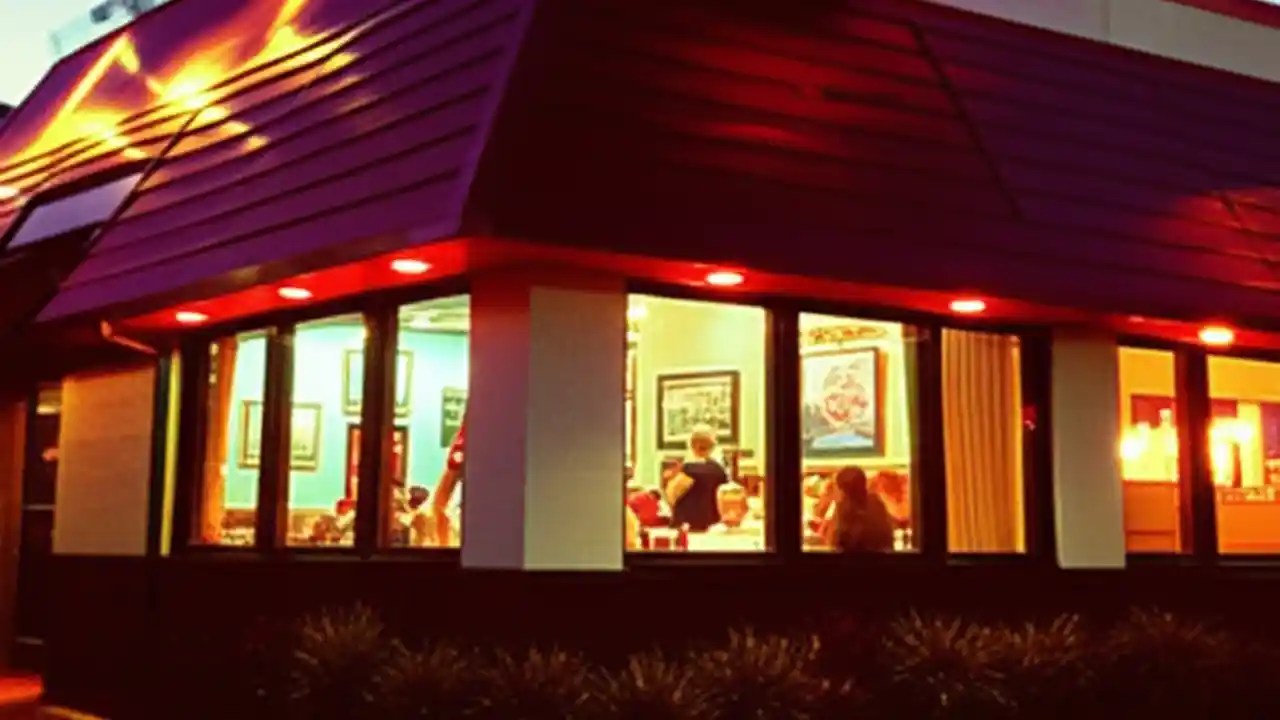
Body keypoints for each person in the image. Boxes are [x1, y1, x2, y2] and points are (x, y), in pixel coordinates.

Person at [667, 425, 728, 532]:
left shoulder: (688, 469)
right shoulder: (719, 470)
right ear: (712, 446)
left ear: (692, 445)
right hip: (713, 525)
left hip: (686, 525)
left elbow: (672, 494)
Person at [824, 466, 895, 553]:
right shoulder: (876, 504)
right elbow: (888, 540)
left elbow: (835, 542)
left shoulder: (844, 507)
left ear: (843, 489)